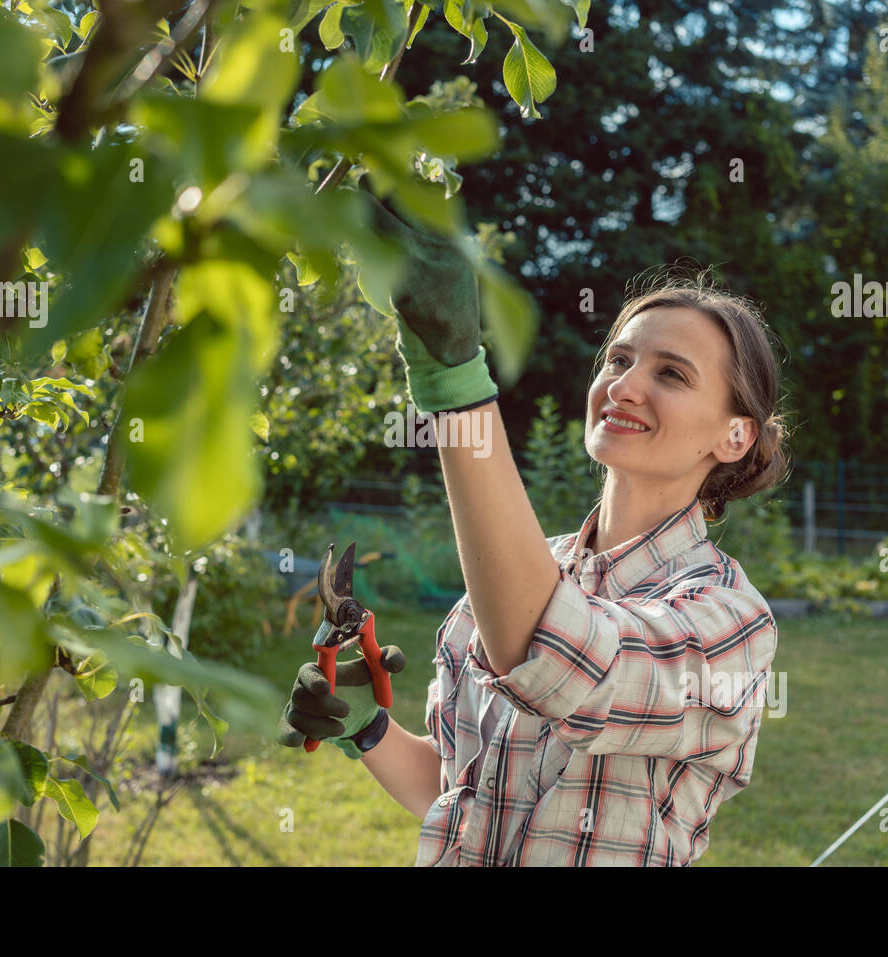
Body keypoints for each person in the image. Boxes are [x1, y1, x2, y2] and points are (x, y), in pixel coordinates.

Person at [278, 191, 791, 866]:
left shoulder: (732, 623)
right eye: (618, 359)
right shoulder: (506, 582)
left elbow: (564, 665)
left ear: (734, 434)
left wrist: (456, 381)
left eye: (670, 373)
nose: (624, 385)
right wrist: (367, 731)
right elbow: (461, 787)